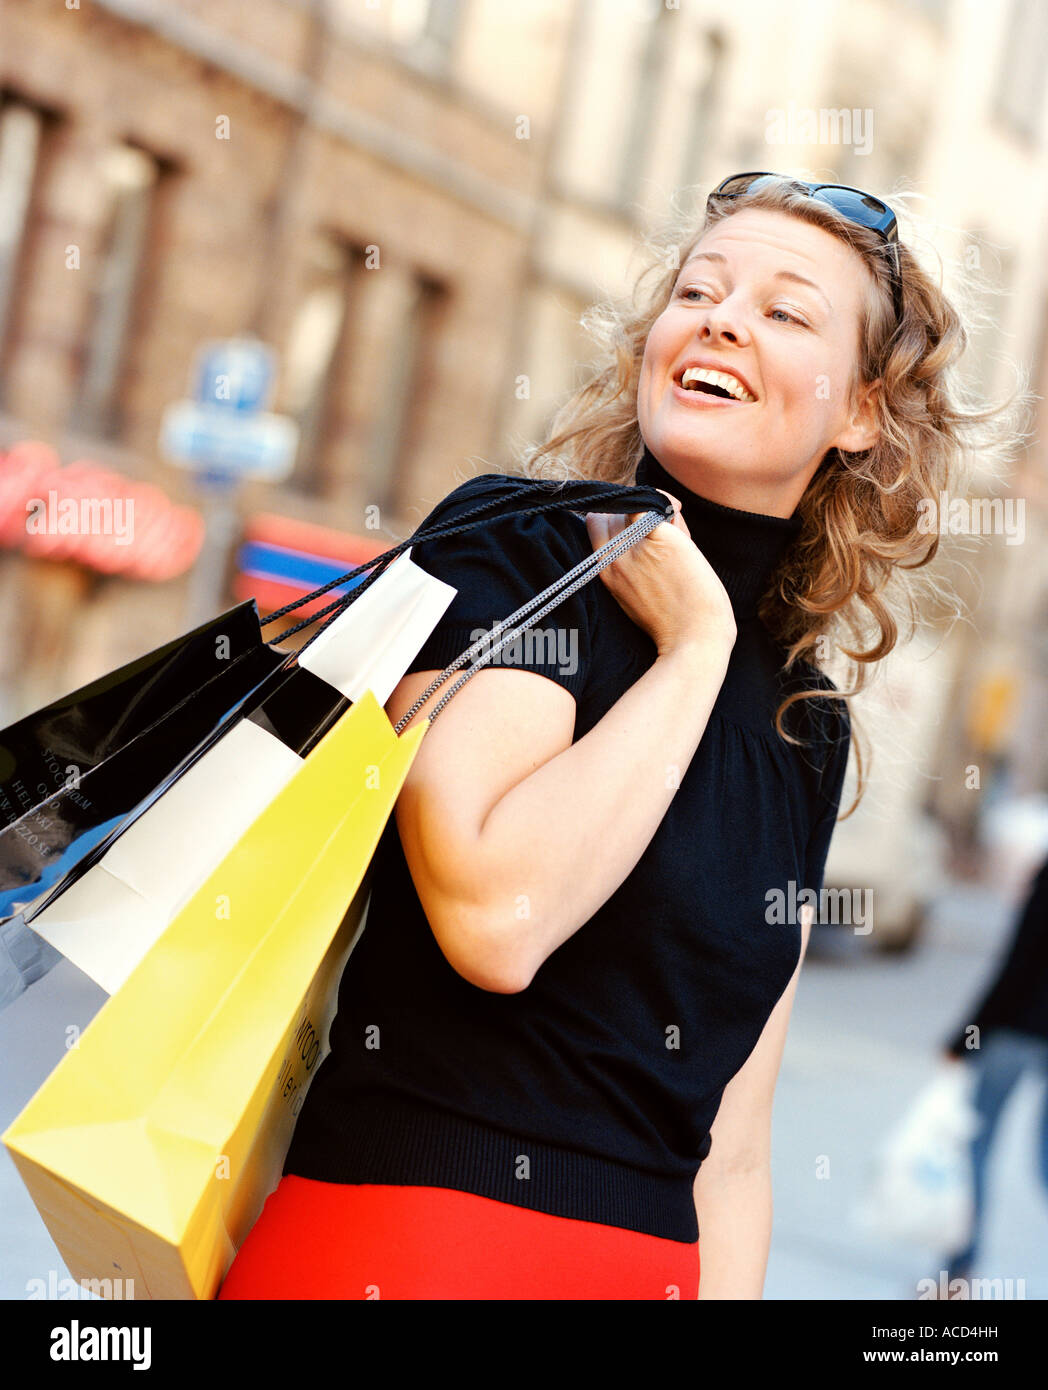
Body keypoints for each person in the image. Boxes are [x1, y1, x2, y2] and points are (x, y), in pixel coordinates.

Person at [218, 172, 1022, 1300]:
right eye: (699, 290)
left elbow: (733, 1146)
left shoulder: (803, 719)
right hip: (405, 1249)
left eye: (785, 312)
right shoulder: (515, 554)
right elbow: (497, 919)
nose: (722, 317)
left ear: (861, 414)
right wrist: (692, 648)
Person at [936, 849, 1048, 1291]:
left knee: (977, 1144)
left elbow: (1018, 964)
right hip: (1021, 1033)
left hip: (1018, 1030)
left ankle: (959, 1270)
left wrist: (966, 1037)